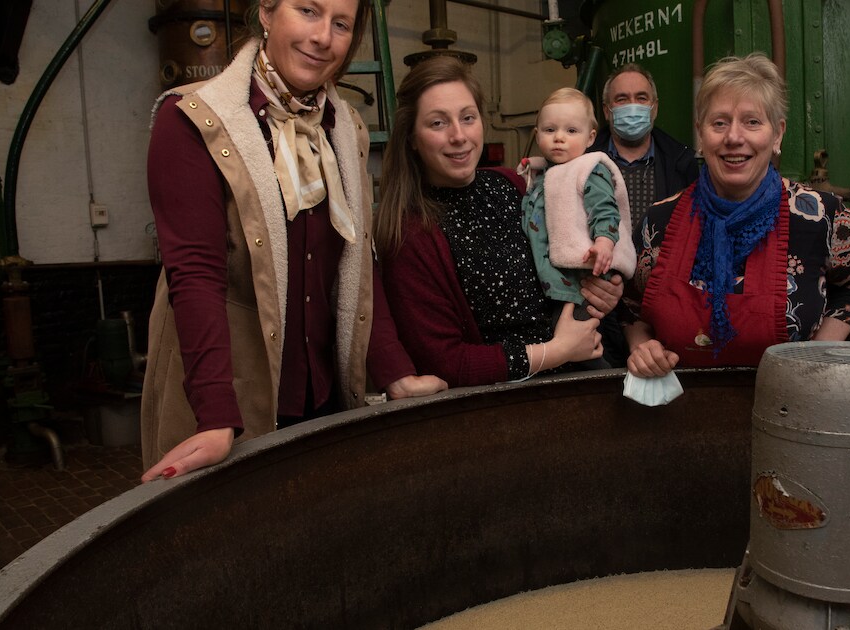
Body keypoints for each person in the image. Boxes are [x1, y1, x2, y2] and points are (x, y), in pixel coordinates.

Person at [140, 0, 446, 482]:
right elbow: (196, 276)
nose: (323, 36)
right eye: (307, 10)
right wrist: (215, 414)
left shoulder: (344, 126)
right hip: (232, 401)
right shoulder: (193, 119)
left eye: (341, 24)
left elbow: (357, 262)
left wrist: (395, 372)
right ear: (267, 13)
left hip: (320, 396)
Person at [624, 53, 850, 377]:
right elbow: (629, 304)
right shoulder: (659, 222)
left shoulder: (822, 218)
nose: (734, 137)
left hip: (792, 398)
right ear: (701, 133)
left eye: (752, 122)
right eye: (719, 123)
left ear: (777, 134)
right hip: (682, 404)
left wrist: (820, 352)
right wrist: (641, 346)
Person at [374, 57, 624, 387]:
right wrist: (556, 352)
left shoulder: (514, 184)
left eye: (468, 118)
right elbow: (447, 362)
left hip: (576, 376)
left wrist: (605, 288)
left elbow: (576, 245)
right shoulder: (409, 235)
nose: (459, 135)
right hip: (500, 401)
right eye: (437, 123)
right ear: (411, 137)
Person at [588, 64, 699, 364]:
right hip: (597, 305)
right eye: (622, 99)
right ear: (607, 111)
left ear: (654, 107)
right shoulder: (583, 162)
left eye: (641, 97)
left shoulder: (682, 163)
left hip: (659, 308)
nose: (632, 106)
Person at [520, 88, 636, 334]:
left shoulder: (589, 169)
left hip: (582, 282)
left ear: (590, 137)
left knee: (578, 337)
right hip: (553, 284)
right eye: (550, 130)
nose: (559, 137)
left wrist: (604, 241)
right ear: (537, 135)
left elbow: (604, 209)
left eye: (571, 131)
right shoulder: (540, 175)